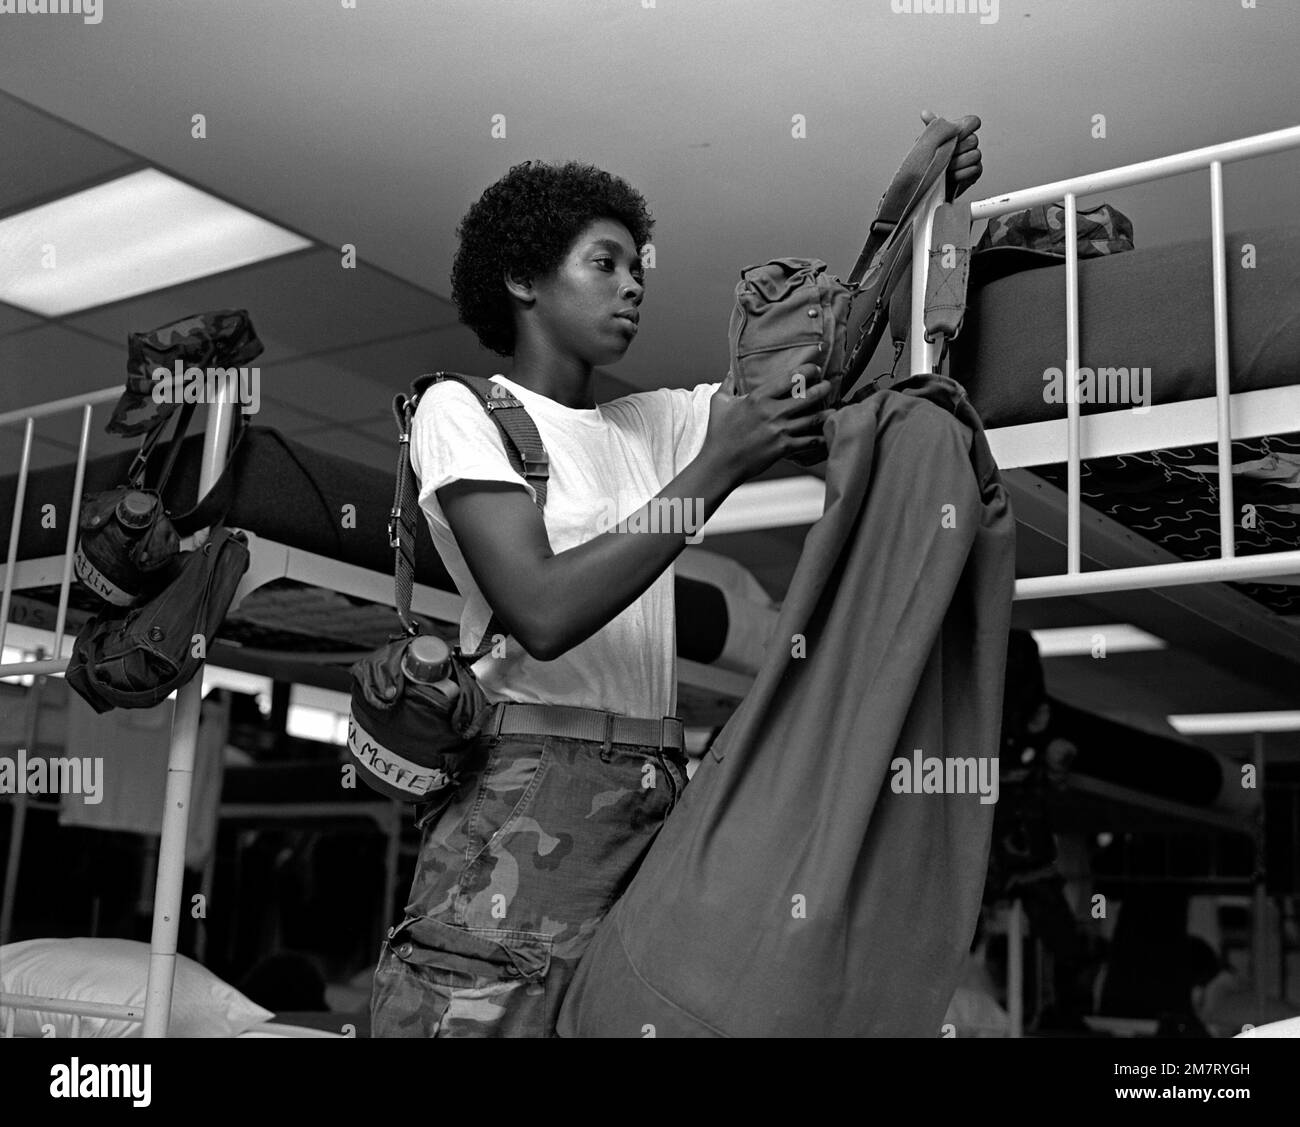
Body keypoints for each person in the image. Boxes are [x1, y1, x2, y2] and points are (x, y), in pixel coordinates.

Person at [370, 114, 985, 1037]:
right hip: (522, 799)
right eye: (604, 264)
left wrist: (911, 220)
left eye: (637, 270)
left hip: (656, 791)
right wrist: (714, 471)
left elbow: (818, 370)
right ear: (523, 277)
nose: (632, 288)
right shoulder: (465, 411)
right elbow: (538, 609)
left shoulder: (652, 423)